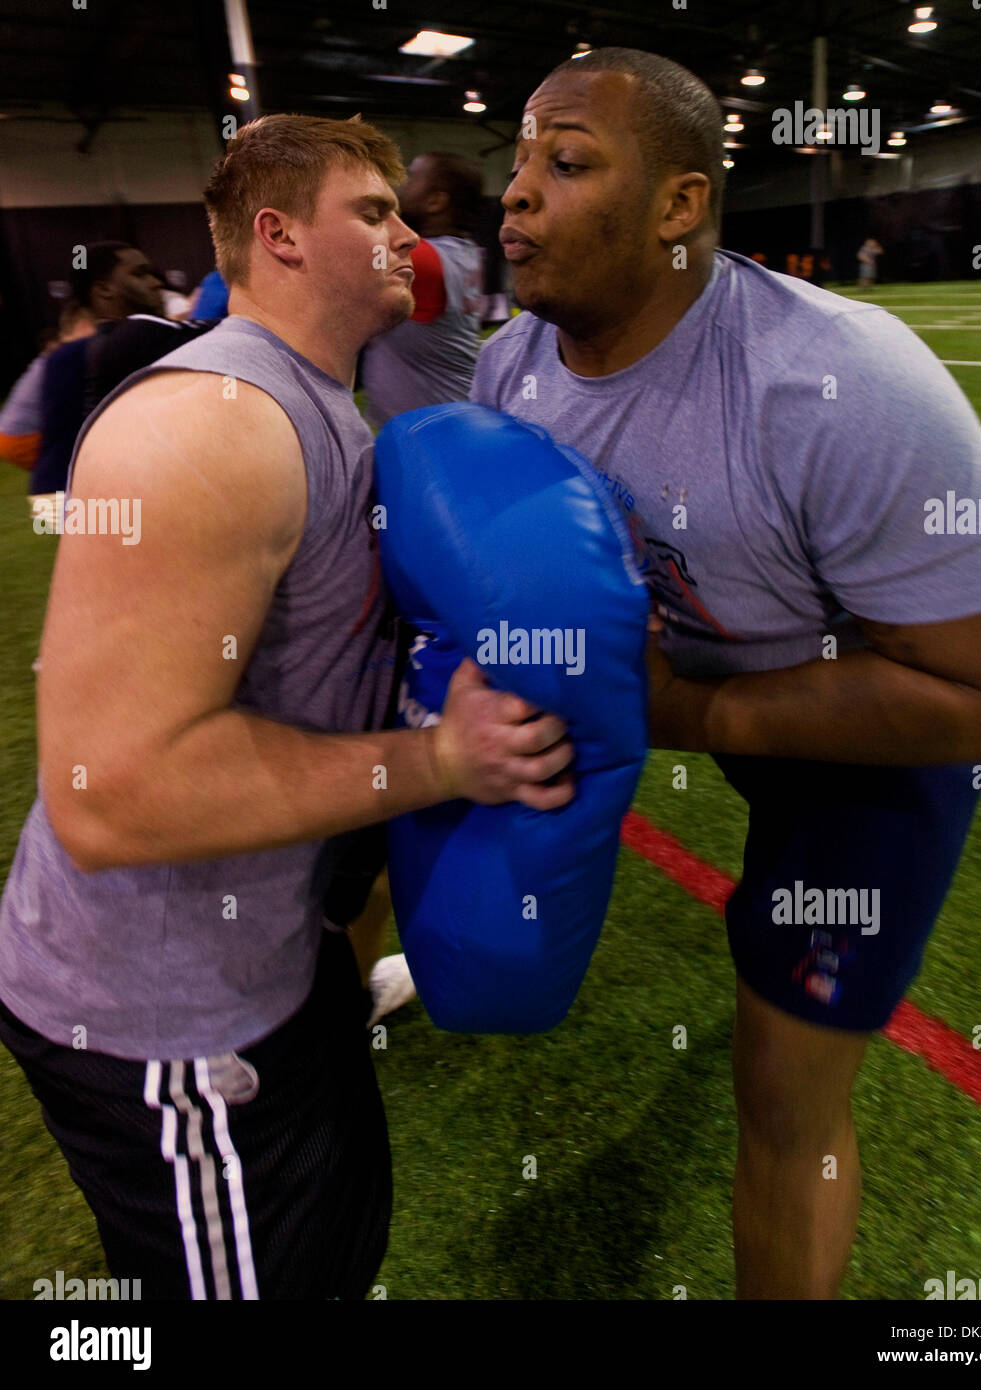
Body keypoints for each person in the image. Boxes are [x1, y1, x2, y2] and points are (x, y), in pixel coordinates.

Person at [472, 47, 981, 1299]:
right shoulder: (506, 371)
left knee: (784, 1103)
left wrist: (684, 706)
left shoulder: (841, 384)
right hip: (710, 691)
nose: (515, 193)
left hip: (870, 753)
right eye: (516, 160)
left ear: (681, 204)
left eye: (565, 162)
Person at [0, 113, 574, 1301]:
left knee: (335, 1248)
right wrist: (442, 764)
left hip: (276, 962)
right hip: (166, 1023)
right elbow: (118, 793)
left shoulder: (319, 407)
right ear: (279, 236)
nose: (407, 238)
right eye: (374, 213)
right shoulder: (212, 425)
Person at [30, 242, 166, 499]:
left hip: (63, 490)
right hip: (76, 491)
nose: (156, 282)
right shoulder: (105, 352)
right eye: (140, 274)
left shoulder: (70, 355)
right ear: (103, 290)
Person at [360, 151, 485, 428]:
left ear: (435, 202)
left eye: (413, 177)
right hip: (437, 420)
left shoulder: (423, 261)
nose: (400, 186)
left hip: (433, 432)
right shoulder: (463, 251)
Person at [0, 301, 94, 473]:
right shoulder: (61, 360)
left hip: (11, 433)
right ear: (82, 326)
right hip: (22, 437)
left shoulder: (54, 358)